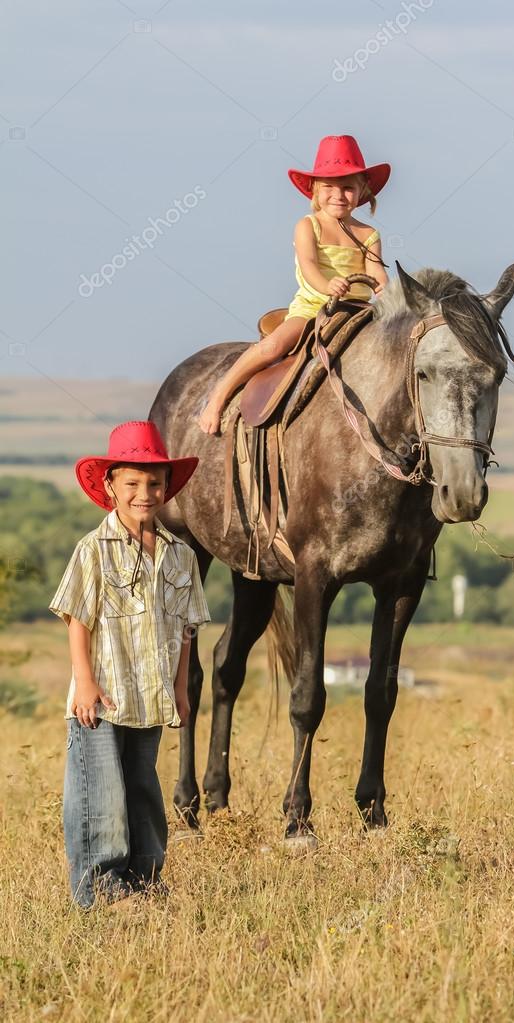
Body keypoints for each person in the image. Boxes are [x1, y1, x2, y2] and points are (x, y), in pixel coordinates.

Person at [50, 420, 210, 909]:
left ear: (167, 487)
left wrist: (181, 690)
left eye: (155, 483)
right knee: (100, 796)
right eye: (133, 483)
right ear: (111, 486)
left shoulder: (180, 557)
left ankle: (144, 879)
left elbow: (186, 630)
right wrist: (85, 683)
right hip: (103, 696)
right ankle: (101, 888)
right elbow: (78, 617)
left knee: (142, 789)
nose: (145, 493)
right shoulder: (93, 550)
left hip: (151, 694)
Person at [197, 134, 391, 434]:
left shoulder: (368, 234)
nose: (338, 195)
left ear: (361, 190)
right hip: (315, 308)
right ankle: (219, 396)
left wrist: (383, 285)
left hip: (358, 312)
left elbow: (375, 268)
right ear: (315, 189)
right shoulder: (308, 226)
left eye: (348, 187)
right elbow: (309, 266)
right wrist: (328, 286)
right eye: (329, 187)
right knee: (274, 346)